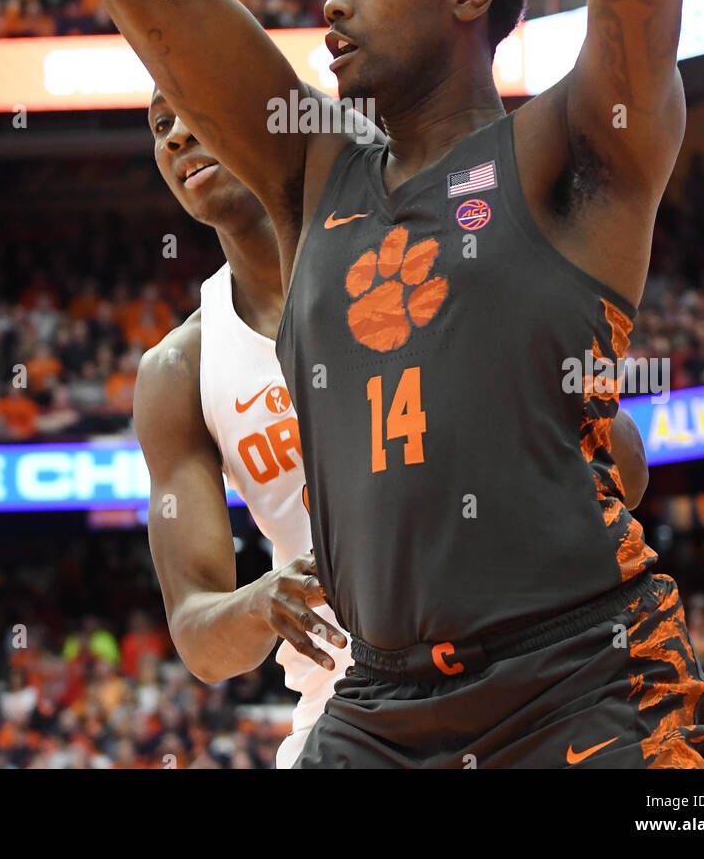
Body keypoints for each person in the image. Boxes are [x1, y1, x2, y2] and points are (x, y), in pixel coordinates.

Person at [98, 0, 704, 767]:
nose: (328, 1)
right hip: (372, 707)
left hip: (582, 678)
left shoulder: (571, 152)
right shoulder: (304, 169)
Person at [134, 90, 649, 767]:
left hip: (530, 664)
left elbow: (627, 473)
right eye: (159, 126)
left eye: (189, 107)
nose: (174, 136)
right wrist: (262, 601)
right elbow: (199, 638)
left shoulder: (426, 254)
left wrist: (490, 332)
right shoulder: (181, 368)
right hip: (354, 706)